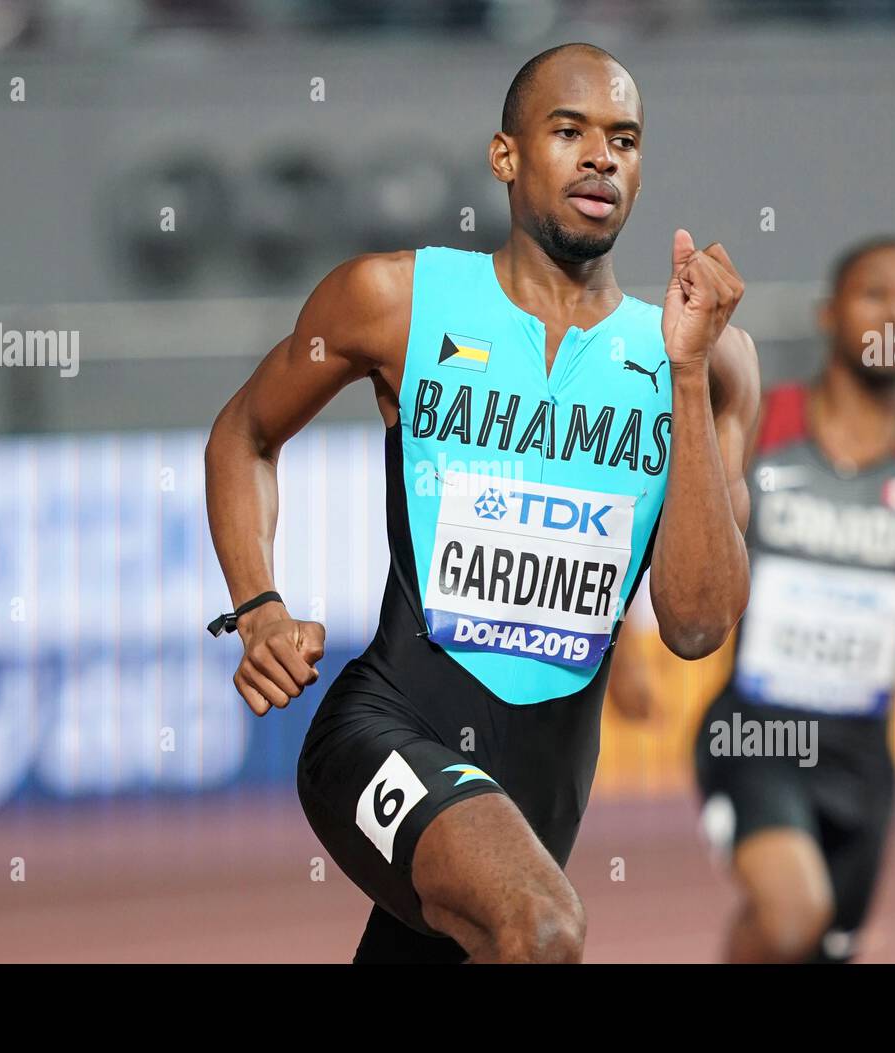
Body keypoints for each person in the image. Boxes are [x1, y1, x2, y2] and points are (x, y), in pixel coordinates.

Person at [205, 42, 760, 963]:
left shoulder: (703, 358)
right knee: (541, 926)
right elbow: (246, 434)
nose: (600, 157)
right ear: (505, 156)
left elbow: (699, 623)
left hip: (539, 790)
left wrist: (690, 370)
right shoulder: (393, 299)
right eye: (569, 131)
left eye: (623, 139)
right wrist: (258, 604)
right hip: (385, 729)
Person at [610, 234, 895, 963]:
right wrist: (623, 649)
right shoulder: (765, 424)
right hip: (754, 731)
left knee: (822, 949)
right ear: (827, 313)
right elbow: (670, 521)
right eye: (876, 295)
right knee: (788, 916)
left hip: (863, 755)